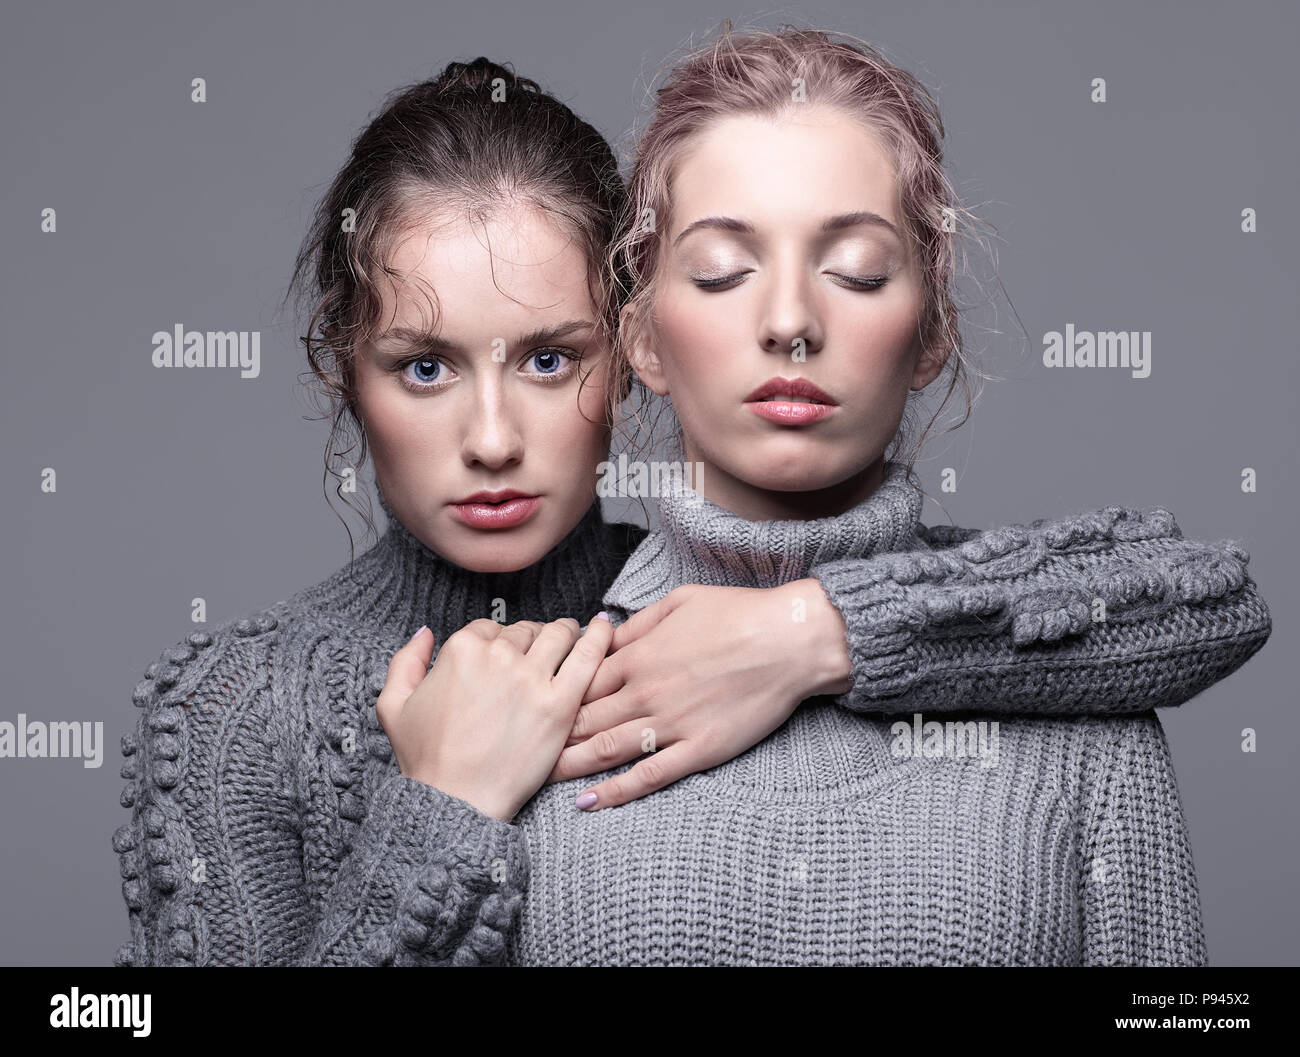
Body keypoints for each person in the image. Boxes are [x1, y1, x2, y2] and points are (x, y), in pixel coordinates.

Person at [113, 53, 1268, 966]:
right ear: (342, 372)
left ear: (621, 353)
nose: (493, 437)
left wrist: (809, 630)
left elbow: (1192, 599)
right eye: (423, 365)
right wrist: (445, 808)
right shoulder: (272, 712)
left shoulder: (661, 619)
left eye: (550, 360)